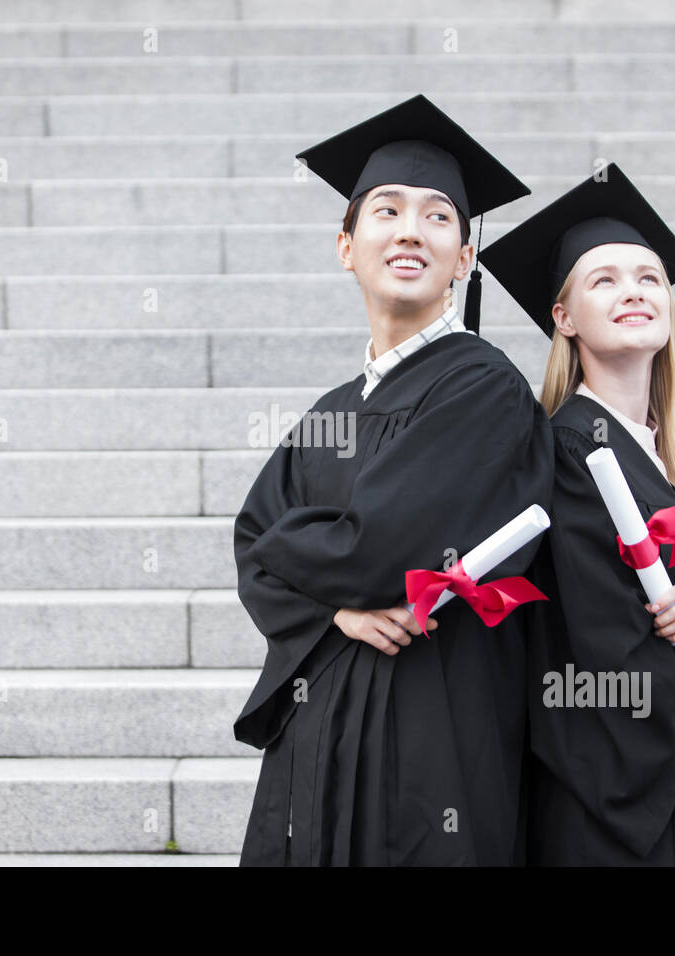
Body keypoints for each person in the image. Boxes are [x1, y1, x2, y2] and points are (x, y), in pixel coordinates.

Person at [232, 94, 554, 866]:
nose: (411, 229)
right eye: (386, 210)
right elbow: (251, 547)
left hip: (431, 735)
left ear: (466, 258)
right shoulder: (333, 410)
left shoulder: (484, 387)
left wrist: (312, 568)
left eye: (440, 216)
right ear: (347, 246)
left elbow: (383, 546)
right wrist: (335, 611)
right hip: (320, 734)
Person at [478, 163, 675, 866]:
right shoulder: (558, 455)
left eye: (650, 278)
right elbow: (591, 635)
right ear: (563, 319)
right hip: (613, 808)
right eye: (605, 280)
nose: (635, 292)